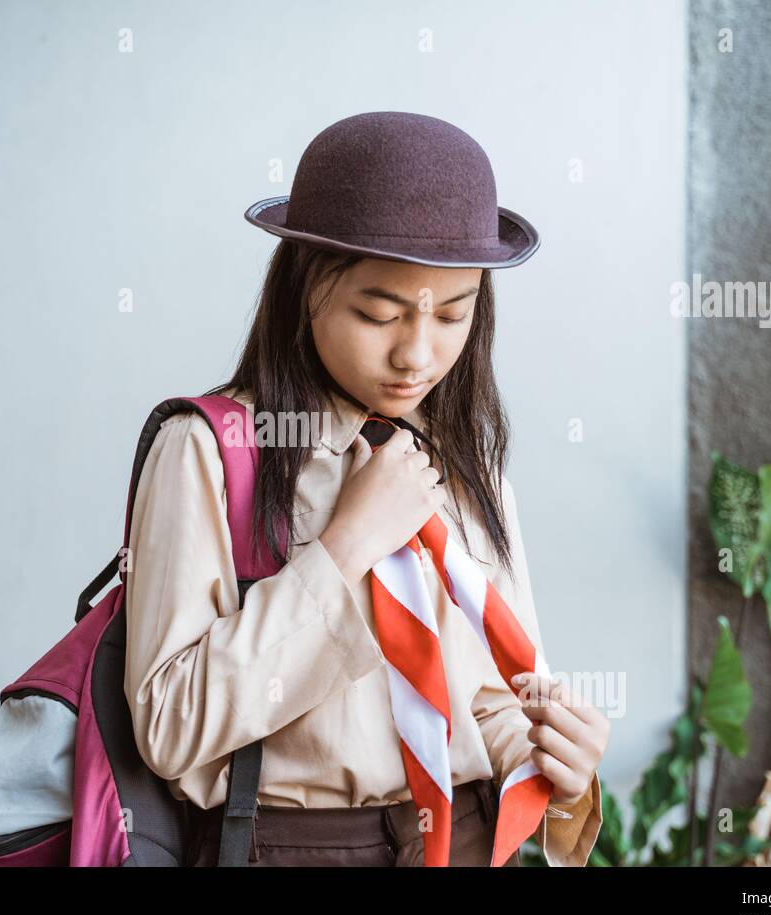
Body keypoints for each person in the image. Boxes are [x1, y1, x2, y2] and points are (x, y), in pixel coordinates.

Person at [122, 112, 609, 867]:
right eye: (377, 313)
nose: (418, 352)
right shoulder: (212, 452)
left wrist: (560, 768)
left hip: (469, 842)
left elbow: (490, 700)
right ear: (306, 287)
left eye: (455, 314)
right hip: (292, 847)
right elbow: (170, 727)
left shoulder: (466, 459)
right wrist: (344, 547)